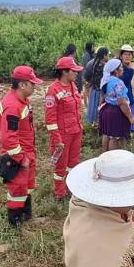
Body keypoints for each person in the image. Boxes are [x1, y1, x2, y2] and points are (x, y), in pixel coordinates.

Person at [0, 66, 43, 226]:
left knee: (27, 186)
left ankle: (27, 217)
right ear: (22, 85)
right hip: (17, 156)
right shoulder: (12, 106)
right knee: (17, 190)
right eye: (32, 84)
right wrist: (20, 158)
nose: (35, 87)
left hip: (27, 151)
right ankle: (15, 224)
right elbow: (8, 139)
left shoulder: (23, 100)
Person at [46, 57, 85, 200]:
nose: (76, 73)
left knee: (73, 163)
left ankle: (70, 188)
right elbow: (50, 119)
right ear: (64, 72)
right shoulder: (53, 90)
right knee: (61, 166)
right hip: (63, 135)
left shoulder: (73, 85)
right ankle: (60, 194)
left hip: (76, 131)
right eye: (73, 71)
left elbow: (76, 109)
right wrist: (57, 139)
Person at [99, 59, 134, 151]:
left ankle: (105, 155)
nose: (123, 69)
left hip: (106, 109)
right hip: (116, 112)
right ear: (115, 71)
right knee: (115, 138)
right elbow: (122, 102)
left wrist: (99, 108)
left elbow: (102, 96)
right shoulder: (118, 83)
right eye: (121, 67)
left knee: (107, 134)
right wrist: (130, 117)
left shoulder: (105, 80)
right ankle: (112, 159)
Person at [84, 47, 110, 124]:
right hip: (101, 92)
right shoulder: (104, 66)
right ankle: (100, 124)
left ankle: (94, 123)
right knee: (100, 107)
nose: (108, 57)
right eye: (108, 55)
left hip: (94, 90)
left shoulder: (94, 63)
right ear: (104, 56)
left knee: (93, 107)